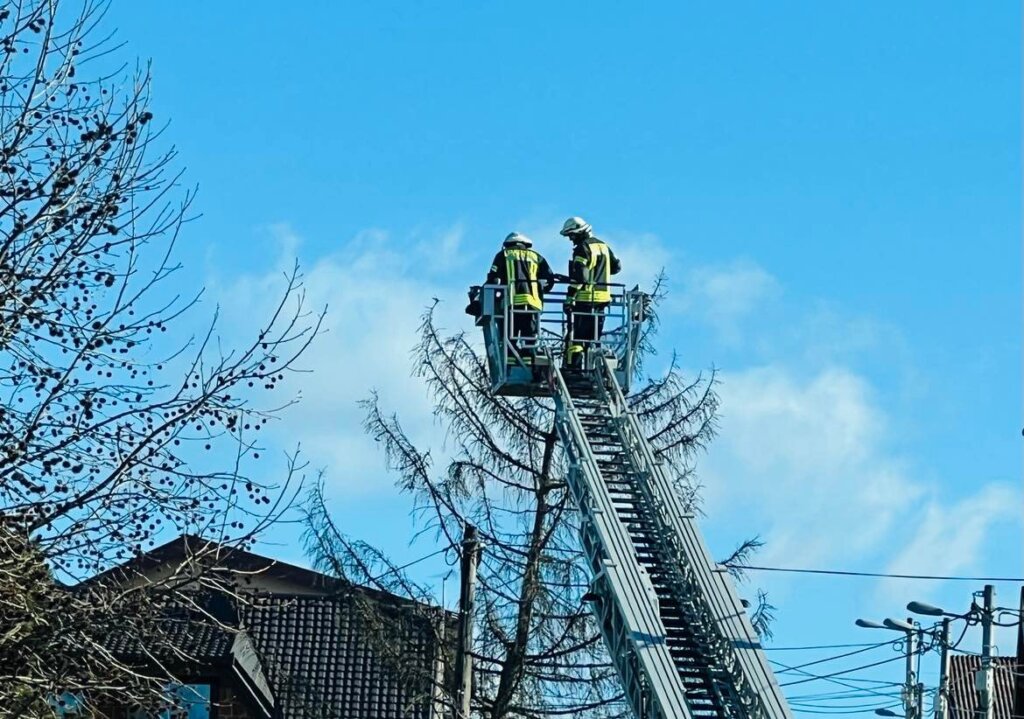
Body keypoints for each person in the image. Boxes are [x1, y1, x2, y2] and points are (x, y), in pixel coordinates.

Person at [560, 216, 621, 368]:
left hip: (585, 300)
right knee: (593, 337)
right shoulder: (603, 246)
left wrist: (570, 297)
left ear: (580, 232)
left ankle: (573, 368)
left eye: (572, 235)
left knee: (576, 337)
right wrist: (600, 272)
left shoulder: (583, 248)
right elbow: (616, 267)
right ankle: (590, 368)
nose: (571, 239)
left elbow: (581, 277)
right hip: (602, 301)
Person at [486, 232, 554, 359]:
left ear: (507, 244)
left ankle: (511, 358)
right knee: (529, 336)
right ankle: (529, 358)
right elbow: (550, 278)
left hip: (511, 302)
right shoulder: (536, 257)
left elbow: (493, 279)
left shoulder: (503, 255)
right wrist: (542, 290)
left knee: (509, 336)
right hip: (532, 303)